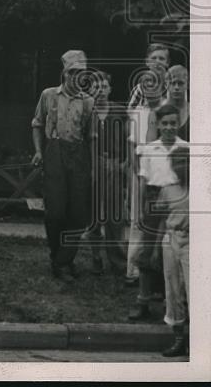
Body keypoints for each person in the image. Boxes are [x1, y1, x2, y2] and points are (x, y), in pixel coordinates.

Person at [31, 50, 97, 282]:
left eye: (81, 73)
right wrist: (39, 152)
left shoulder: (88, 102)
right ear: (64, 73)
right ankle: (57, 256)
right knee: (55, 213)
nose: (76, 77)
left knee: (77, 214)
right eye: (72, 72)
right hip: (54, 155)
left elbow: (91, 137)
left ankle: (63, 262)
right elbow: (37, 125)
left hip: (79, 156)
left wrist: (92, 166)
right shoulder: (48, 95)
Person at [129, 104, 186, 322]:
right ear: (159, 125)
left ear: (179, 122)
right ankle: (142, 302)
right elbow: (143, 181)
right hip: (154, 201)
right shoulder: (149, 149)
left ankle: (170, 304)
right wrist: (142, 206)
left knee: (172, 253)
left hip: (177, 201)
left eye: (173, 123)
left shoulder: (185, 147)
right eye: (165, 123)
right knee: (148, 251)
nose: (170, 127)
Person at [81, 70, 129, 277]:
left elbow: (129, 138)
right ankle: (96, 258)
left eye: (104, 87)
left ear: (110, 89)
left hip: (114, 165)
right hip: (93, 164)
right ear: (90, 90)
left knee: (114, 216)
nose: (100, 91)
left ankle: (118, 260)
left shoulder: (120, 110)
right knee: (93, 216)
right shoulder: (86, 112)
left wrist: (125, 163)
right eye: (96, 87)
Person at [159, 133, 189, 357]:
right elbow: (160, 217)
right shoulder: (167, 187)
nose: (181, 166)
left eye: (185, 162)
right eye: (176, 162)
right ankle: (179, 338)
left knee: (194, 289)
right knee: (173, 290)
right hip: (170, 238)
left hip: (193, 240)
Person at [161, 65, 189, 140]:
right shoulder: (157, 110)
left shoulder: (195, 111)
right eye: (172, 83)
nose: (176, 87)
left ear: (187, 85)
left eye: (180, 83)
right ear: (166, 85)